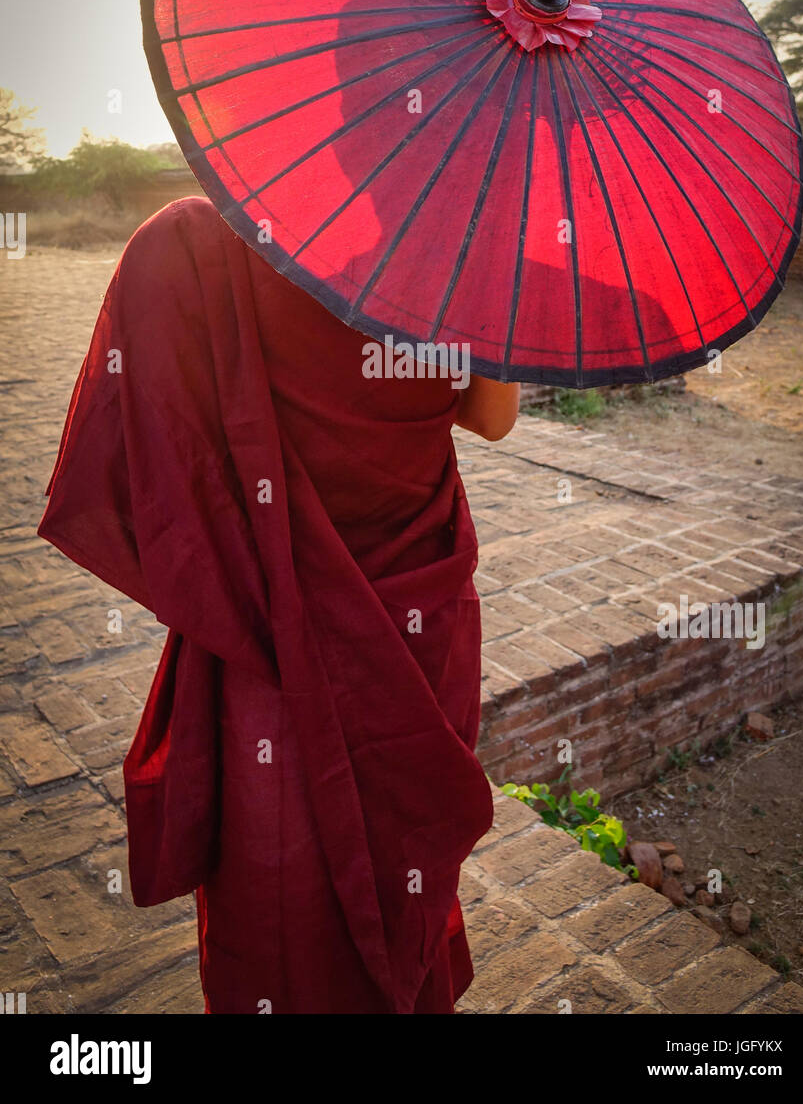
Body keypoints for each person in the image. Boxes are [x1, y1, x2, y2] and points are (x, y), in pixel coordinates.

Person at [37, 194, 520, 1015]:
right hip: (418, 621)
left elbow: (146, 440)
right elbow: (492, 419)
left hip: (270, 626)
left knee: (277, 882)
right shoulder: (463, 257)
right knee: (400, 854)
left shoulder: (201, 241)